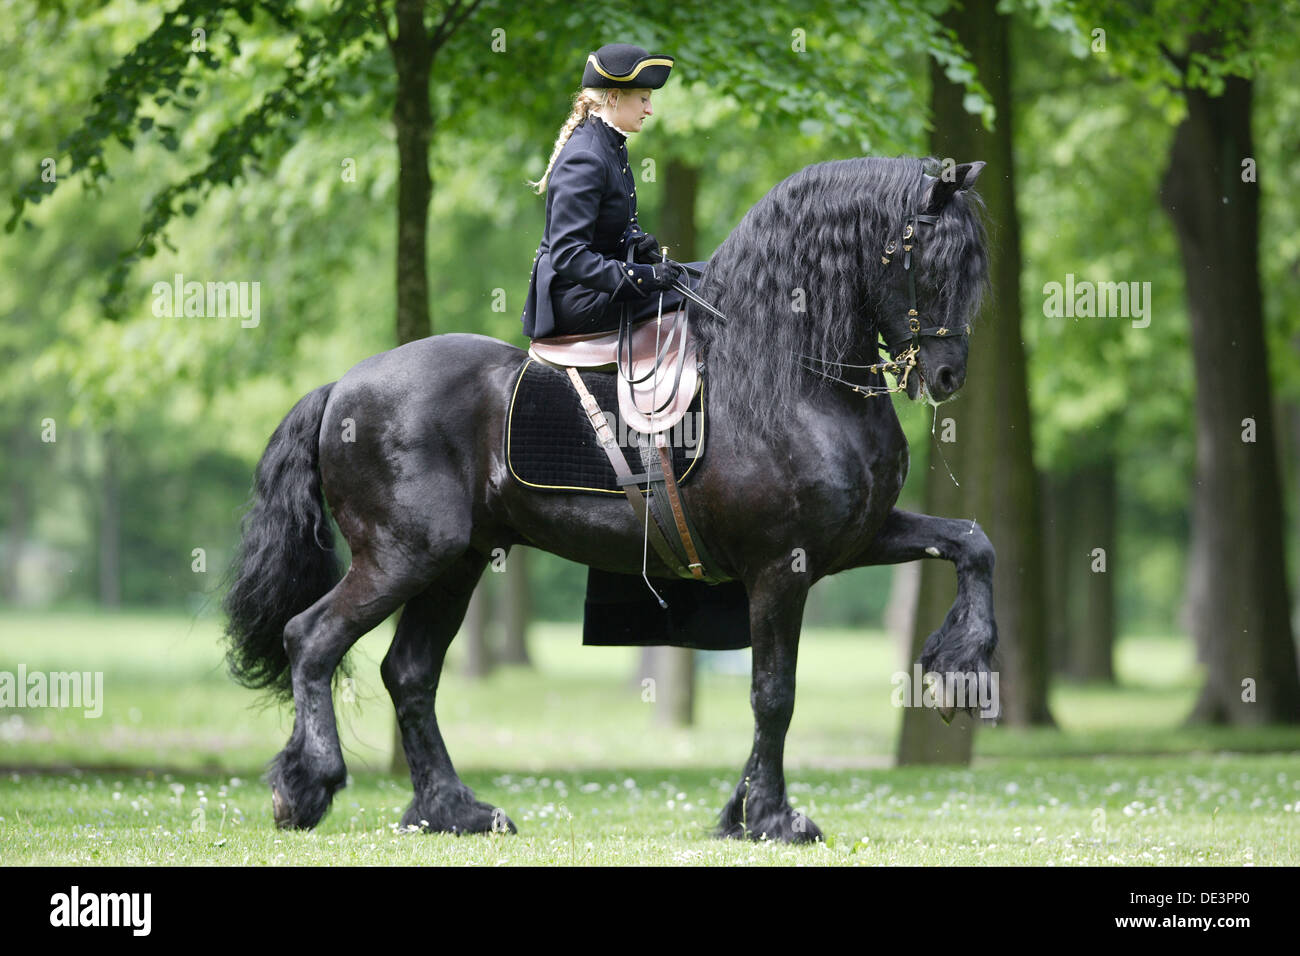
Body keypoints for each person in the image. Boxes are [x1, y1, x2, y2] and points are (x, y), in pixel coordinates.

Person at [521, 43, 708, 340]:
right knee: (711, 290)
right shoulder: (587, 157)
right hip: (577, 301)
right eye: (644, 99)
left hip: (598, 290)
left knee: (712, 275)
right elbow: (569, 256)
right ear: (613, 98)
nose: (650, 109)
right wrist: (642, 276)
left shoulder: (609, 145)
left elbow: (605, 235)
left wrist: (637, 246)